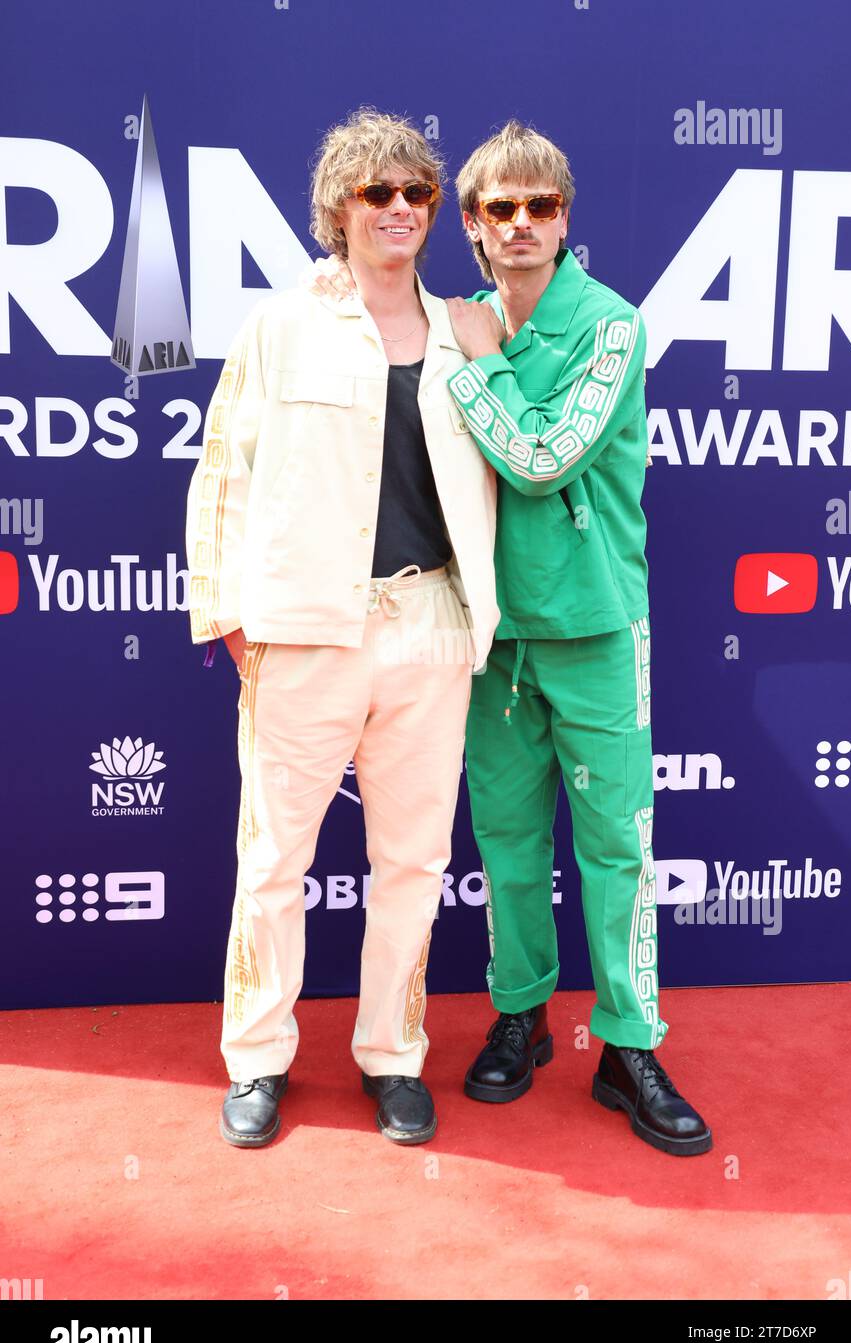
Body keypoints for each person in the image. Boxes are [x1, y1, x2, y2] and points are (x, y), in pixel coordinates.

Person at [307, 120, 711, 1157]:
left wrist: (475, 366)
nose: (521, 224)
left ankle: (627, 1044)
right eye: (499, 209)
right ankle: (520, 1013)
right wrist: (468, 345)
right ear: (475, 228)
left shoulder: (609, 324)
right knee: (509, 848)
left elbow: (539, 458)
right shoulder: (459, 322)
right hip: (487, 638)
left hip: (593, 629)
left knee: (617, 847)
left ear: (564, 220)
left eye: (539, 207)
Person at [185, 108, 498, 1149]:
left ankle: (392, 1055)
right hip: (304, 627)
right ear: (338, 210)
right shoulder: (279, 327)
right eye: (378, 193)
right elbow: (222, 468)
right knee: (275, 858)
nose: (400, 208)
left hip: (430, 624)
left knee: (410, 860)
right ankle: (258, 1058)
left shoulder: (467, 329)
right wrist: (230, 615)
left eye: (415, 191)